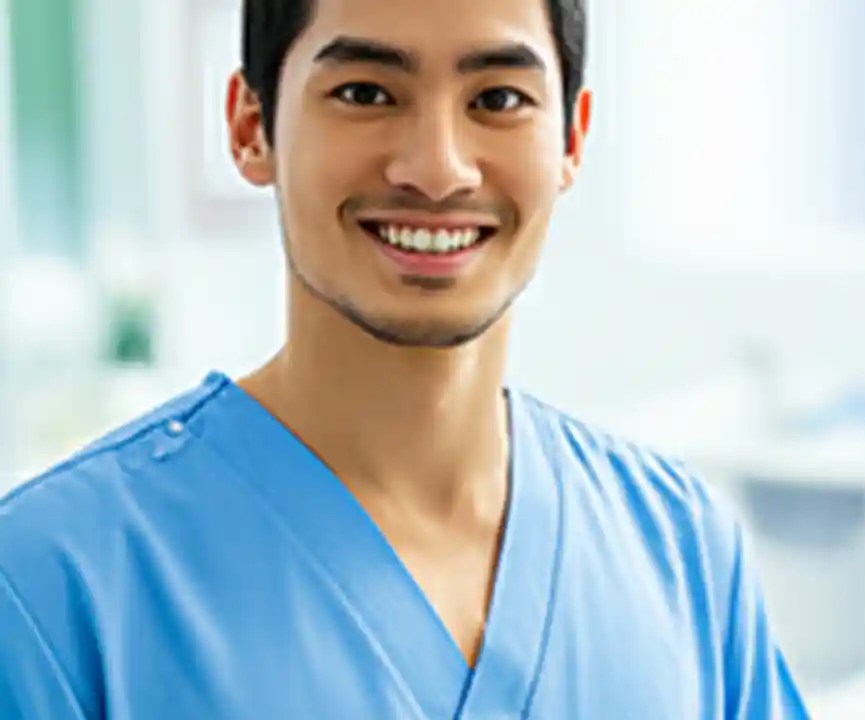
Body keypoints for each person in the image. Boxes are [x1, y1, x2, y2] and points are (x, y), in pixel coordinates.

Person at [0, 0, 808, 717]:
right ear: (252, 128)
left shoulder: (683, 555)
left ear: (572, 139)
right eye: (365, 94)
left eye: (497, 99)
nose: (437, 169)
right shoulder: (53, 587)